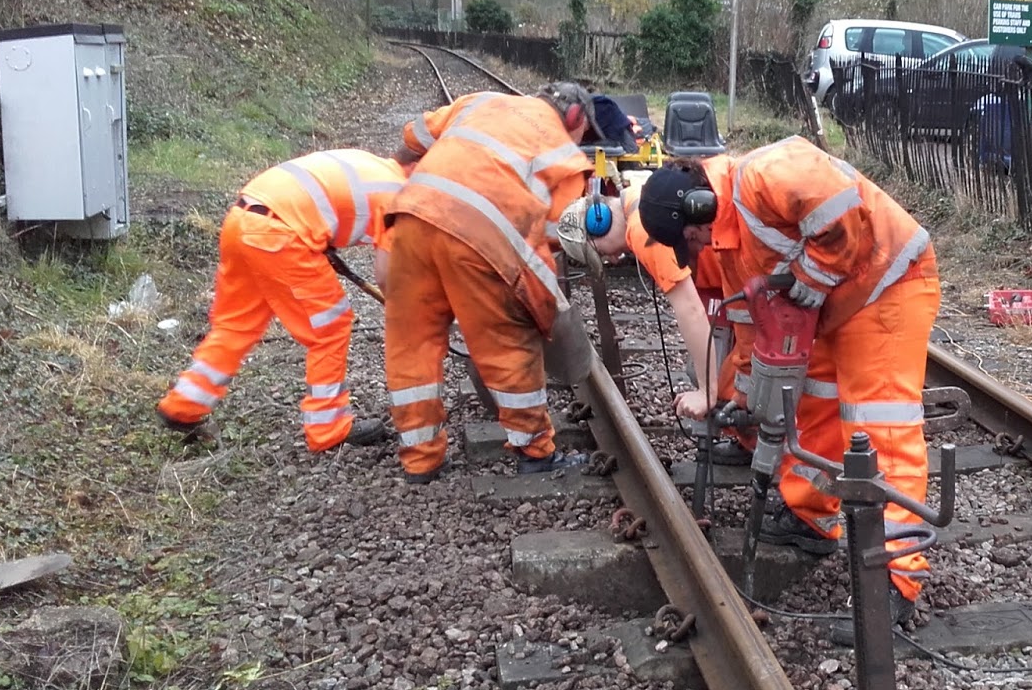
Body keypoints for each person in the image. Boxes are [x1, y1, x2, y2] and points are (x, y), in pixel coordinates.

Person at [636, 137, 940, 641]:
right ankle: (811, 516)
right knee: (812, 406)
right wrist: (743, 399)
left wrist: (811, 277)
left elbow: (841, 215)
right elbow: (752, 330)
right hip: (830, 308)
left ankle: (895, 582)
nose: (695, 252)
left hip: (887, 284)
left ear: (699, 208)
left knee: (879, 430)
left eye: (690, 239)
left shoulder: (768, 173)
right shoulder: (728, 243)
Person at [382, 83, 599, 483]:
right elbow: (557, 236)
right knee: (509, 343)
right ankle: (535, 453)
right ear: (575, 119)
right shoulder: (567, 156)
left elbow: (414, 136)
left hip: (411, 217)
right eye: (585, 133)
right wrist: (543, 306)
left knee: (411, 341)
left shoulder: (477, 101)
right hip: (480, 240)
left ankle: (420, 461)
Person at [157, 148, 412, 452]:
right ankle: (328, 428)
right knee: (330, 326)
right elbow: (389, 273)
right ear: (417, 168)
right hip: (279, 236)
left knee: (237, 324)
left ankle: (183, 406)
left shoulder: (370, 164)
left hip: (241, 219)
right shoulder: (401, 194)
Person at [559, 168, 754, 464]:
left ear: (598, 223)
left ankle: (764, 448)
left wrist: (707, 391)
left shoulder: (641, 231)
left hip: (741, 273)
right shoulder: (638, 197)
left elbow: (688, 308)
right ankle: (750, 442)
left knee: (736, 377)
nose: (612, 259)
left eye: (599, 252)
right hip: (727, 279)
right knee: (729, 369)